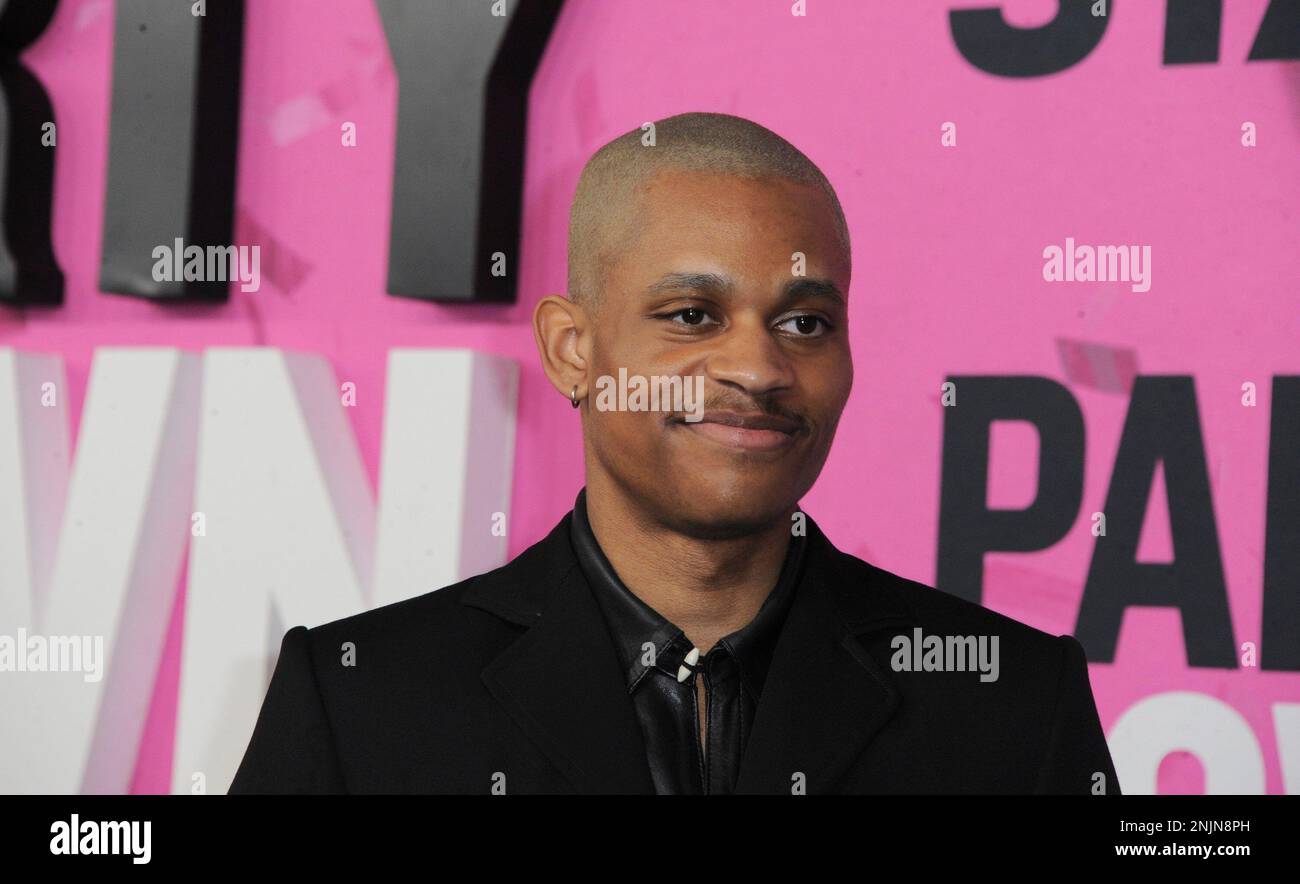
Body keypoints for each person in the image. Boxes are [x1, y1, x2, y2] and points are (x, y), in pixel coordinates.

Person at [229, 112, 1120, 795]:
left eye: (806, 323)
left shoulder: (1012, 702)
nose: (757, 369)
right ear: (572, 350)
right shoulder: (361, 702)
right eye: (693, 315)